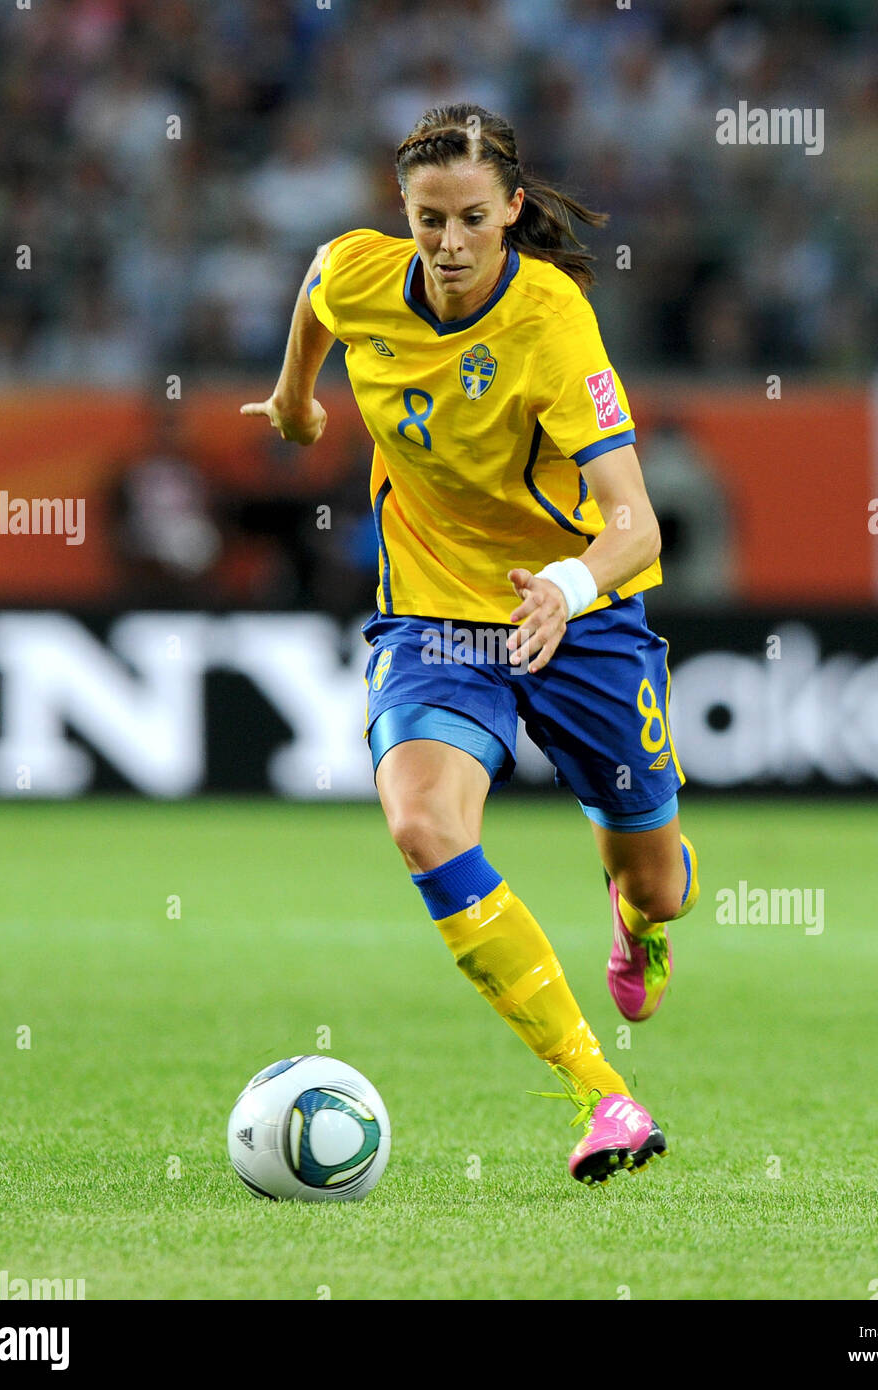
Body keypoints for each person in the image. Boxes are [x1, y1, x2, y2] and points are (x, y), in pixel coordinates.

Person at [242, 104, 700, 1186]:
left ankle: (639, 921)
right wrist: (295, 401)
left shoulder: (551, 320)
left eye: (470, 220)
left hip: (579, 615)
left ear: (512, 212)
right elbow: (319, 291)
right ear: (403, 213)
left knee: (658, 882)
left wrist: (565, 583)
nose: (446, 244)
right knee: (420, 823)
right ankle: (603, 1095)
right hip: (436, 614)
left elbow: (633, 521)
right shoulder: (362, 275)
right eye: (426, 219)